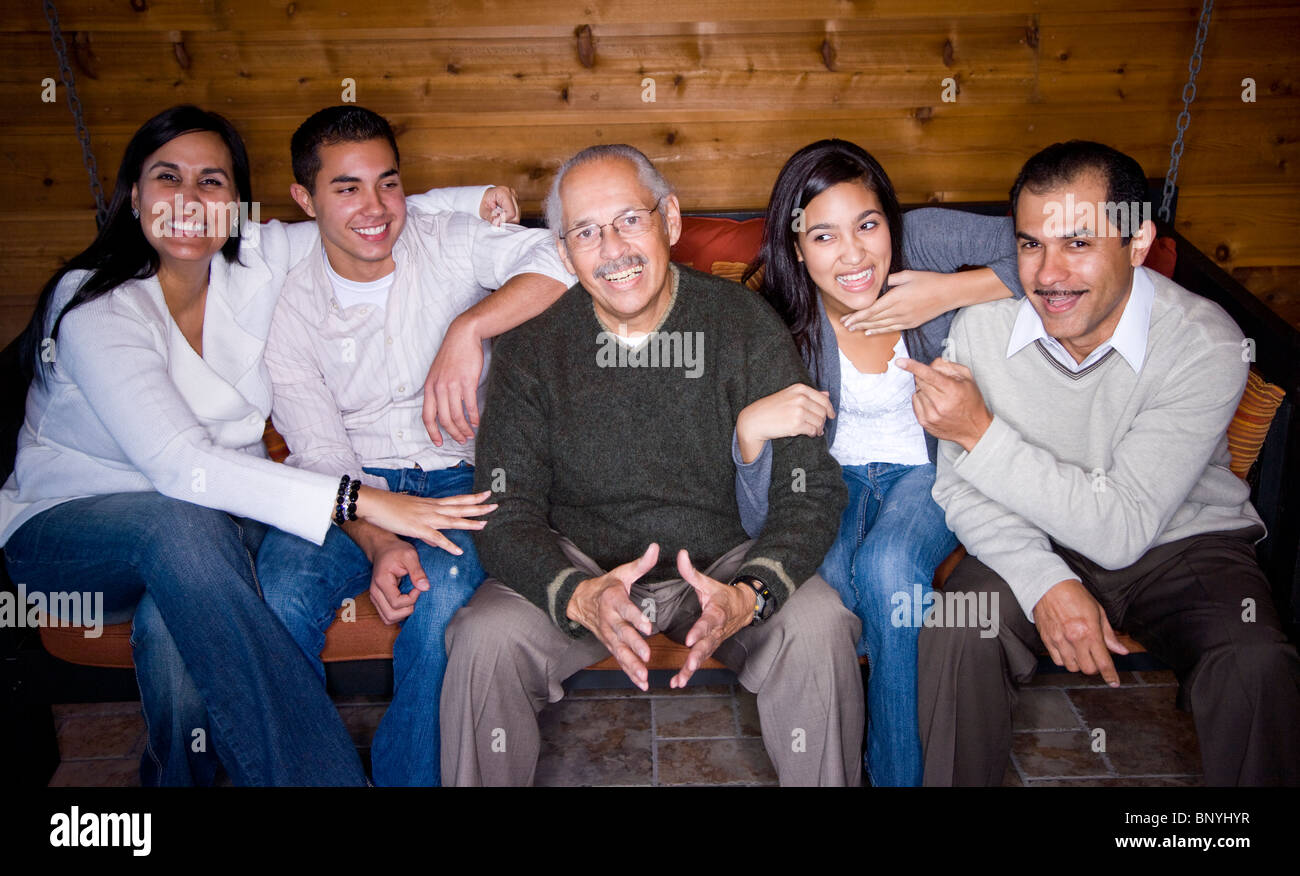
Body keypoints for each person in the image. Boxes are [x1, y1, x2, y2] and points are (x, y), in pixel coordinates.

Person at [0, 105, 503, 786]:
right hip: (72, 535)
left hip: (206, 538)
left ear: (235, 204)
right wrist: (367, 504)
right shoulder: (93, 306)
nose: (188, 200)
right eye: (166, 178)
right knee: (175, 526)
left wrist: (474, 201)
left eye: (211, 182)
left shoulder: (256, 260)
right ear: (133, 194)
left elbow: (363, 208)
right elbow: (180, 468)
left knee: (175, 632)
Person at [440, 143, 864, 786]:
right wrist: (578, 595)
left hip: (723, 560)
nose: (612, 249)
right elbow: (507, 509)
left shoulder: (743, 325)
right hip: (583, 561)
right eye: (586, 231)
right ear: (563, 252)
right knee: (482, 639)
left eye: (629, 221)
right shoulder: (530, 348)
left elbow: (808, 489)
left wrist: (749, 596)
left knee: (820, 624)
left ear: (669, 220)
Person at [913, 139, 1300, 786]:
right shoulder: (981, 327)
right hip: (1029, 529)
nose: (1047, 273)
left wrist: (980, 430)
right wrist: (1044, 580)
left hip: (1182, 538)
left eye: (1078, 243)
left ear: (1139, 242)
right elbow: (960, 487)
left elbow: (1120, 526)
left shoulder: (1206, 342)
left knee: (1254, 660)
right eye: (1031, 244)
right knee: (959, 625)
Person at [255, 105, 572, 786]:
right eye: (347, 189)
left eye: (388, 184)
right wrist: (376, 534)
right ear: (306, 200)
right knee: (278, 592)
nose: (375, 208)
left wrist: (468, 327)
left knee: (443, 598)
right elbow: (317, 450)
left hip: (458, 475)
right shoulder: (287, 302)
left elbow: (561, 260)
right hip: (349, 484)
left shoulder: (448, 238)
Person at [734, 138, 1020, 786]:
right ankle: (851, 750)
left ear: (890, 219)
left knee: (891, 567)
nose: (856, 254)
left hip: (928, 470)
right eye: (825, 236)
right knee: (832, 576)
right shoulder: (772, 325)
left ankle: (896, 774)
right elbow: (762, 511)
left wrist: (946, 292)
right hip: (832, 480)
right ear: (798, 248)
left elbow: (1047, 252)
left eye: (867, 225)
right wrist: (752, 429)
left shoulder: (923, 244)